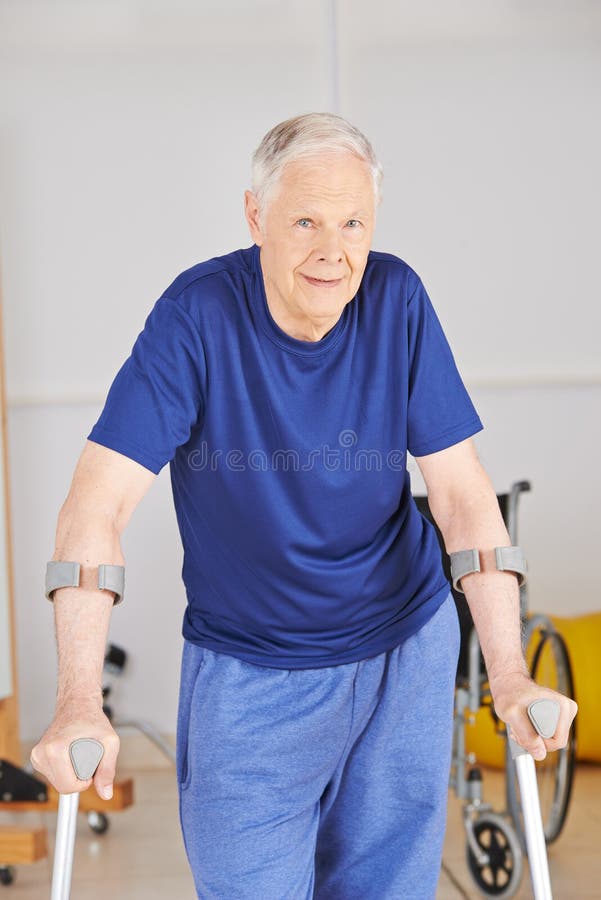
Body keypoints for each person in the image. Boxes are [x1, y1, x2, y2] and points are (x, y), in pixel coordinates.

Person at [31, 113, 576, 899]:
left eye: (353, 221)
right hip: (253, 673)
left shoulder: (397, 299)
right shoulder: (197, 317)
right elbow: (95, 508)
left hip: (401, 651)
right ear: (255, 217)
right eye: (306, 220)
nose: (333, 248)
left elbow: (459, 496)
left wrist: (510, 676)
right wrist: (78, 700)